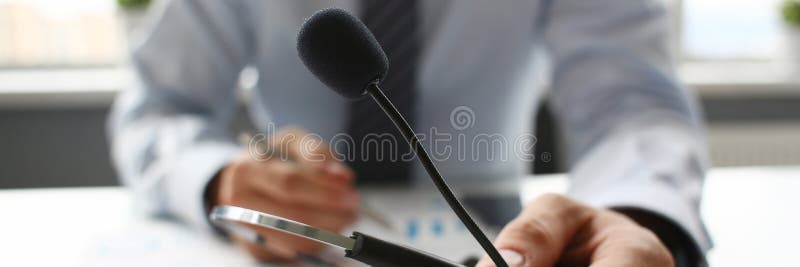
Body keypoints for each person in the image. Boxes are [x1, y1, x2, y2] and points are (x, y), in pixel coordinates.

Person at [109, 0, 711, 266]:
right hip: (284, 244)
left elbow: (634, 104)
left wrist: (635, 220)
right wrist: (219, 179)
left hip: (495, 222)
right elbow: (160, 105)